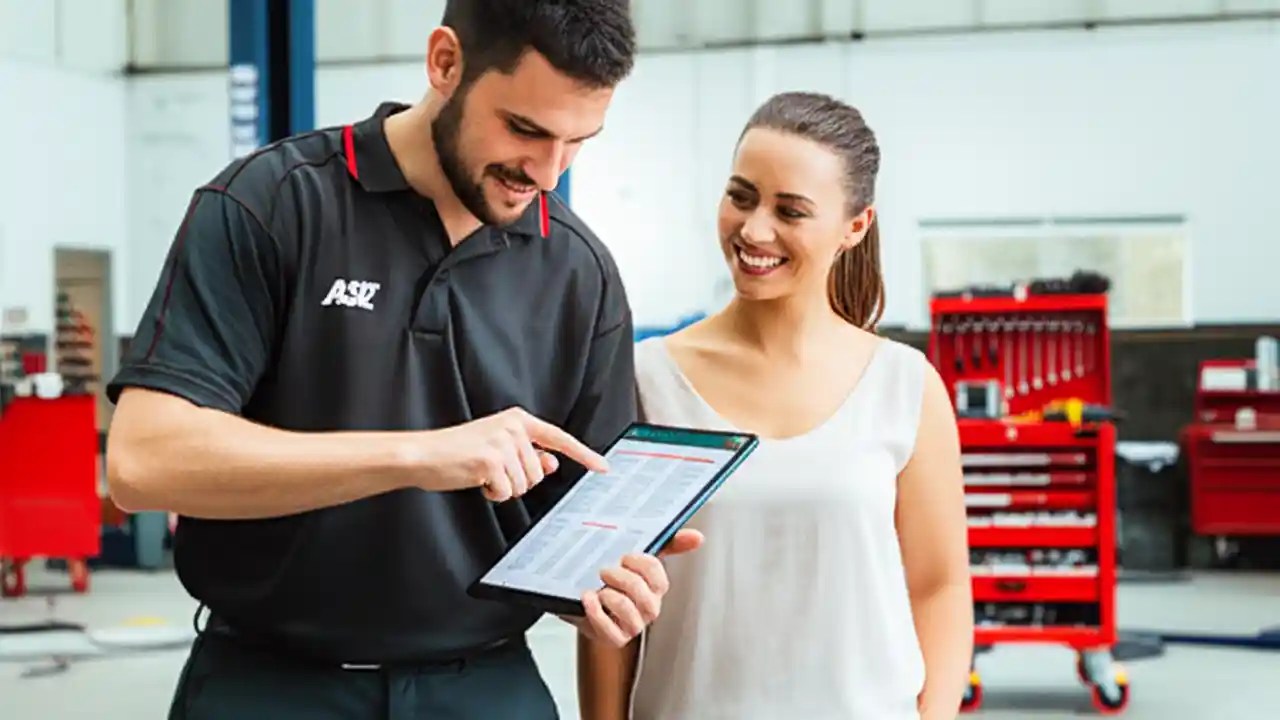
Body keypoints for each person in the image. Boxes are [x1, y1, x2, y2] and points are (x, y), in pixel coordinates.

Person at [104, 2, 701, 718]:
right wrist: (418, 456)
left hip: (483, 686)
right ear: (444, 62)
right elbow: (143, 465)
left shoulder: (579, 272)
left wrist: (605, 585)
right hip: (268, 686)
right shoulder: (272, 204)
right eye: (524, 129)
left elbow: (575, 530)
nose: (547, 171)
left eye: (578, 141)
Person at [578, 91, 974, 719]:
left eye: (791, 211)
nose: (754, 230)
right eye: (741, 196)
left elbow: (940, 586)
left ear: (855, 226)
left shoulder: (904, 385)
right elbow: (607, 603)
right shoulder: (647, 381)